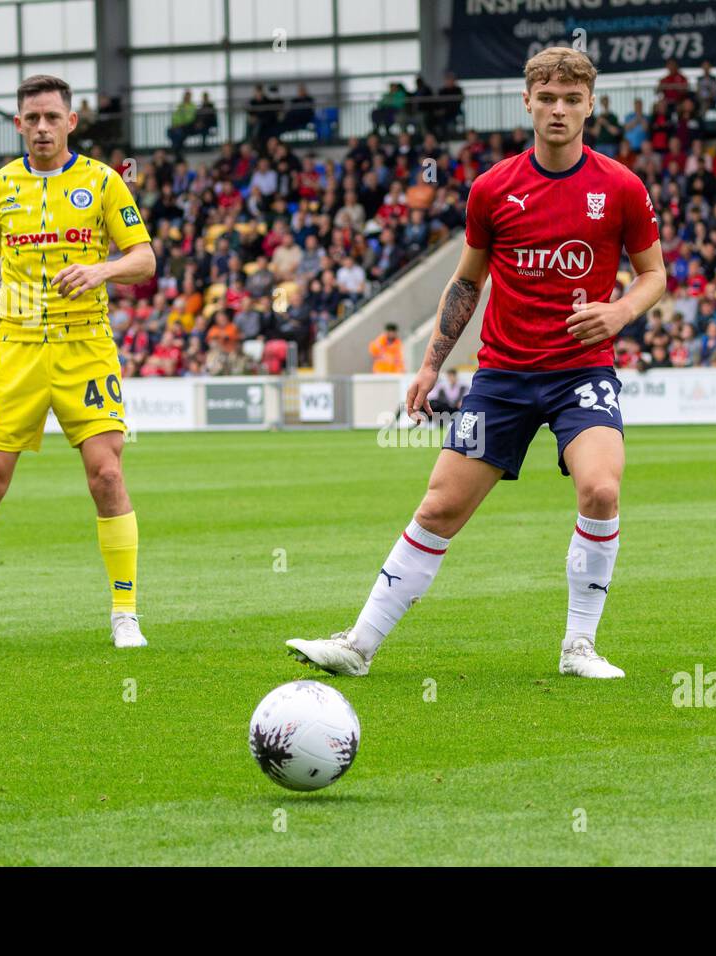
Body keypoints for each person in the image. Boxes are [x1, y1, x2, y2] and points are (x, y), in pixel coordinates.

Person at [285, 46, 665, 680]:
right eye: (547, 98)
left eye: (572, 100)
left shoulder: (620, 186)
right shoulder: (494, 188)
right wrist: (432, 365)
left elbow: (654, 275)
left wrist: (621, 312)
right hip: (503, 379)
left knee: (600, 489)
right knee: (438, 508)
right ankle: (358, 645)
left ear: (591, 106)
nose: (559, 111)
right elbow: (466, 283)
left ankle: (579, 647)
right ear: (527, 102)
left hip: (583, 374)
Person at [0, 74, 158, 652]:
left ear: (71, 122)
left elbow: (144, 258)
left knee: (107, 475)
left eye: (52, 117)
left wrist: (101, 270)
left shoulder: (104, 182)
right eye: (31, 118)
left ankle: (125, 613)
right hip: (18, 345)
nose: (41, 128)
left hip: (86, 347)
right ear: (18, 124)